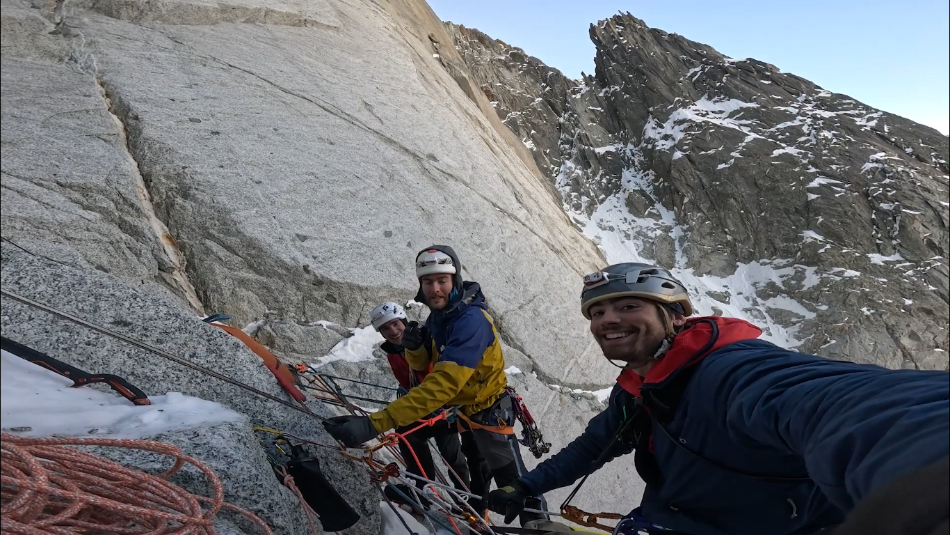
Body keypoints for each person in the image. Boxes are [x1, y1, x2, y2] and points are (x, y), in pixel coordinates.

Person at [486, 263, 949, 535]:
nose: (609, 319)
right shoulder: (641, 390)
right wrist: (527, 486)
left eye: (629, 306)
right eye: (599, 311)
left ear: (673, 318)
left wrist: (925, 478)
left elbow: (837, 403)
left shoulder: (727, 371)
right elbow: (592, 448)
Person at [324, 246, 546, 525]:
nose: (435, 289)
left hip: (488, 412)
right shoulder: (441, 317)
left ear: (456, 280)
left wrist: (376, 423)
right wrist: (415, 347)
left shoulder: (470, 321)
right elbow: (422, 366)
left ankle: (536, 526)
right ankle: (424, 490)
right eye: (428, 282)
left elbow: (443, 383)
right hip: (462, 410)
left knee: (515, 484)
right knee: (410, 432)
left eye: (442, 280)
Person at [369, 301, 483, 494]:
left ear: (405, 321)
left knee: (452, 455)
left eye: (396, 324)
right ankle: (424, 486)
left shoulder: (425, 339)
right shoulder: (393, 353)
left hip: (445, 407)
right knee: (407, 434)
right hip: (423, 405)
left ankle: (464, 498)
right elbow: (407, 382)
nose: (393, 331)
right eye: (386, 328)